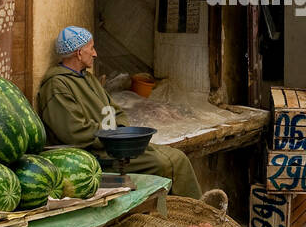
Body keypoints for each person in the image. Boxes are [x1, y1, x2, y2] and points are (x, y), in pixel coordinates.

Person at [37, 26, 203, 198]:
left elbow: (116, 111)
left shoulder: (88, 78)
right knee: (161, 163)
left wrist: (122, 133)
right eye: (91, 48)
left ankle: (197, 216)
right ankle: (183, 216)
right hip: (93, 154)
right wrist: (113, 137)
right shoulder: (56, 86)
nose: (95, 54)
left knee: (178, 157)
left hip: (114, 145)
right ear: (79, 53)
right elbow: (74, 132)